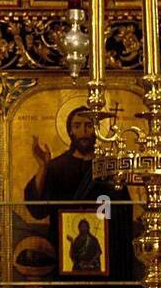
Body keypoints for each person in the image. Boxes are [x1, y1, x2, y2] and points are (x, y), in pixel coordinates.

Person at [24, 106, 132, 278]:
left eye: (89, 125)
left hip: (105, 248)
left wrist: (104, 215)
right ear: (70, 131)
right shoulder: (57, 167)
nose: (83, 131)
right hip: (62, 250)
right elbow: (37, 209)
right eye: (77, 126)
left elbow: (122, 211)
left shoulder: (109, 167)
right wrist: (43, 167)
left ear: (96, 129)